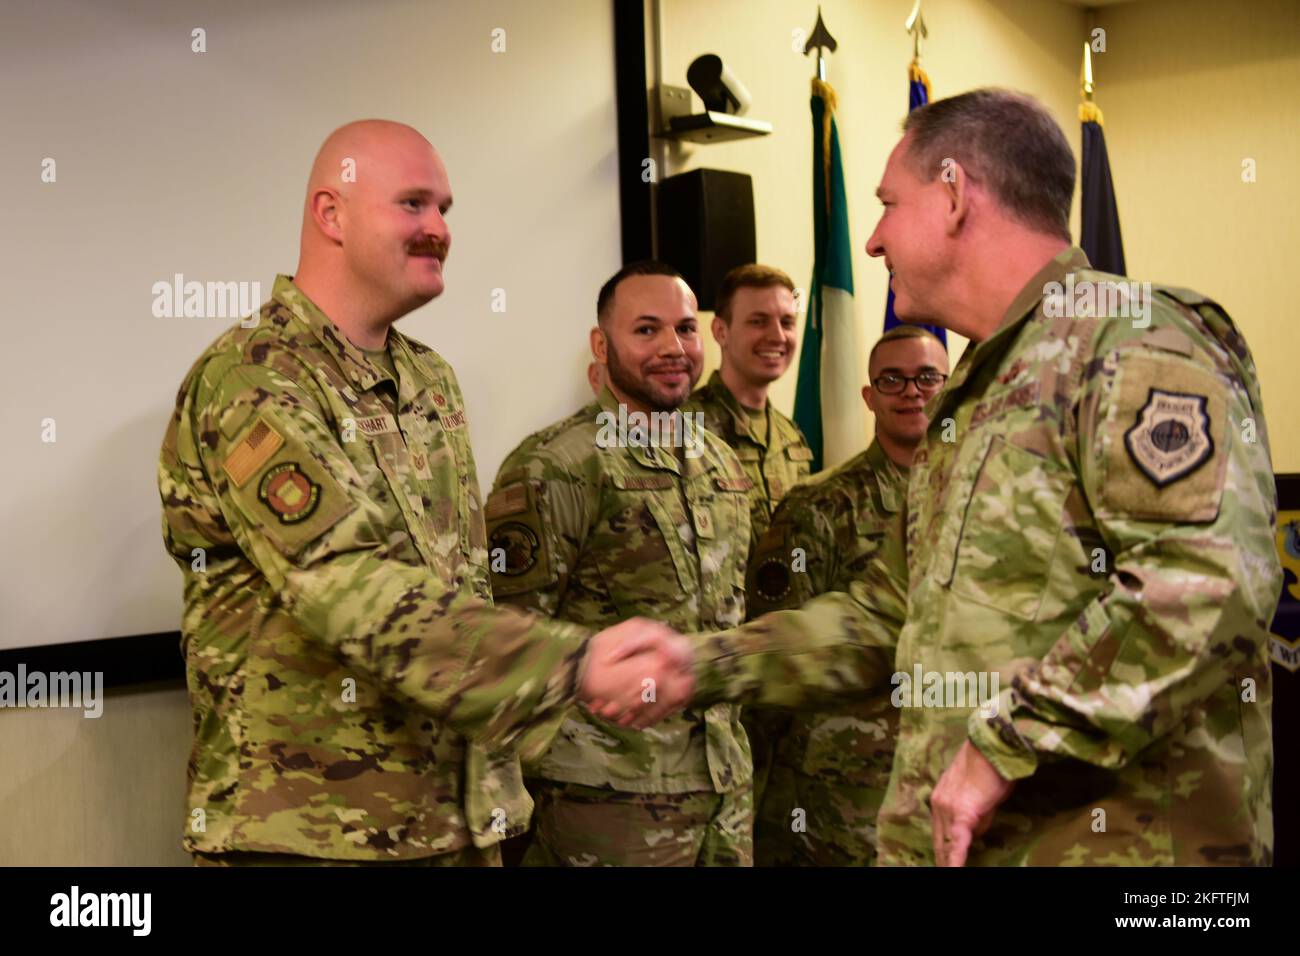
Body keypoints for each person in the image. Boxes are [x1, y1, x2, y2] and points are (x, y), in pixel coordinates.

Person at [157, 120, 690, 866]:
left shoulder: (431, 381)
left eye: (445, 209)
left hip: (459, 819)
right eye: (413, 204)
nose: (439, 229)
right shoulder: (253, 378)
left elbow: (461, 589)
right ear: (330, 214)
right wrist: (567, 664)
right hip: (315, 836)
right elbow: (346, 584)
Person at [858, 88, 1280, 865]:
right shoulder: (979, 390)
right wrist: (702, 666)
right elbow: (897, 615)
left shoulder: (1134, 339)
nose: (874, 240)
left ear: (953, 195)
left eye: (888, 203)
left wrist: (1003, 745)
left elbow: (1207, 583)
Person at [485, 261, 757, 866]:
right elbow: (508, 640)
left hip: (725, 787)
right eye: (647, 330)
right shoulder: (555, 466)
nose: (672, 348)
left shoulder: (718, 461)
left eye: (686, 329)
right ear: (601, 345)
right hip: (607, 800)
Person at [746, 326, 948, 866]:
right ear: (869, 396)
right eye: (893, 380)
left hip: (954, 771)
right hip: (846, 788)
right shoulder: (818, 506)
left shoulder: (983, 496)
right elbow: (782, 655)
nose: (913, 392)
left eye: (928, 377)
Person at [682, 264, 813, 813]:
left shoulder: (792, 439)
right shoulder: (684, 429)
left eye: (786, 321)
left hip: (783, 678)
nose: (777, 336)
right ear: (721, 331)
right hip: (713, 682)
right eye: (758, 320)